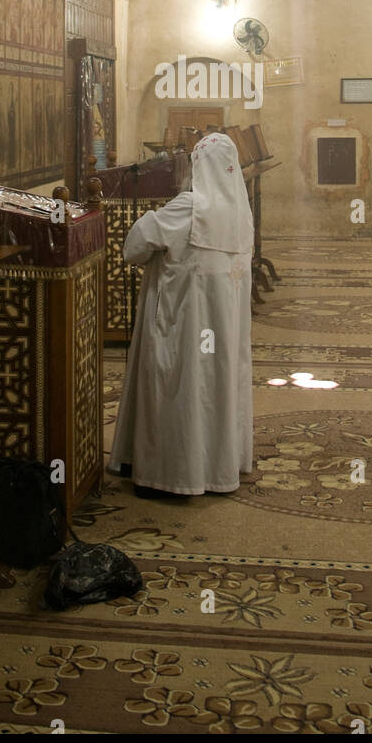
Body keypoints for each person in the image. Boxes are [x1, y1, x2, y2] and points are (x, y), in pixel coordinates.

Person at [109, 132, 254, 497]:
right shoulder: (241, 210)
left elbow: (136, 244)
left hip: (184, 322)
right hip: (224, 329)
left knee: (182, 387)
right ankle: (218, 467)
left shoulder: (191, 206)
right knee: (217, 385)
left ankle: (175, 475)